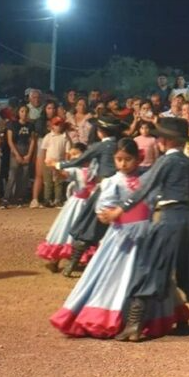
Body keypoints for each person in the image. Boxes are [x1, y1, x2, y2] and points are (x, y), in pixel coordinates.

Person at [51, 138, 189, 339]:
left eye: (128, 159)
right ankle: (111, 317)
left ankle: (159, 316)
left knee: (153, 276)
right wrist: (107, 215)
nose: (123, 164)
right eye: (119, 159)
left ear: (138, 158)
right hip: (120, 238)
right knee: (115, 278)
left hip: (146, 235)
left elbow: (156, 199)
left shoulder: (147, 179)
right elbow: (103, 210)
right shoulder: (112, 182)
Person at [106, 117, 189, 340]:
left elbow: (144, 187)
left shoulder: (166, 162)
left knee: (150, 268)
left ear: (169, 140)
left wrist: (119, 210)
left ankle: (134, 326)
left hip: (170, 220)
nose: (159, 139)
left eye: (161, 136)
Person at [56, 116, 125, 277]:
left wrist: (59, 164)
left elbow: (80, 159)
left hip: (105, 189)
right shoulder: (120, 145)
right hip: (122, 189)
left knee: (89, 226)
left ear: (100, 132)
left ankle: (72, 264)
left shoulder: (101, 146)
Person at [36, 144, 98, 276]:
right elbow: (65, 174)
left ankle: (84, 260)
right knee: (66, 231)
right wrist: (56, 168)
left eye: (76, 154)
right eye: (71, 154)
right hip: (77, 205)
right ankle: (55, 260)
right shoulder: (75, 169)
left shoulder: (95, 167)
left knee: (88, 232)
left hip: (90, 204)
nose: (73, 157)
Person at [37, 117, 71, 208]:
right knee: (48, 182)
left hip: (59, 163)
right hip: (48, 162)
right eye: (56, 124)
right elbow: (43, 150)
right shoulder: (48, 136)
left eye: (60, 124)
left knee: (58, 182)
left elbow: (67, 152)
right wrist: (43, 162)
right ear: (52, 126)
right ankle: (47, 200)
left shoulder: (65, 137)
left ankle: (58, 200)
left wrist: (66, 163)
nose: (58, 126)